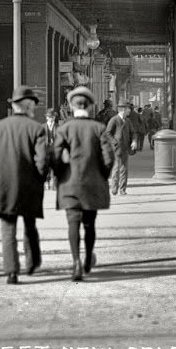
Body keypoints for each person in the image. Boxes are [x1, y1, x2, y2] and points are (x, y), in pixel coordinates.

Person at [0, 84, 51, 284]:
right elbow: (42, 161)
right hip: (29, 187)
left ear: (14, 106)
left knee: (8, 229)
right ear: (29, 105)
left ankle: (11, 272)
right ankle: (32, 264)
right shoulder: (37, 129)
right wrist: (40, 179)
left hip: (5, 187)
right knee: (30, 225)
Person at [50, 86, 115, 281]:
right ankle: (88, 259)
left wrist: (60, 175)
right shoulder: (99, 128)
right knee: (89, 223)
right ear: (91, 106)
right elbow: (109, 158)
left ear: (71, 106)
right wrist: (102, 175)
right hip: (92, 184)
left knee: (73, 223)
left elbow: (54, 155)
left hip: (70, 185)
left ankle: (76, 262)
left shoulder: (64, 128)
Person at [106, 102, 135, 196]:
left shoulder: (128, 121)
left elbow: (133, 133)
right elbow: (108, 133)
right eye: (128, 109)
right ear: (122, 109)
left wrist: (134, 141)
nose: (129, 110)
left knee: (124, 169)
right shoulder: (114, 120)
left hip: (125, 148)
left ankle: (123, 190)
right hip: (116, 149)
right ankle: (114, 189)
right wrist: (115, 142)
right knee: (116, 169)